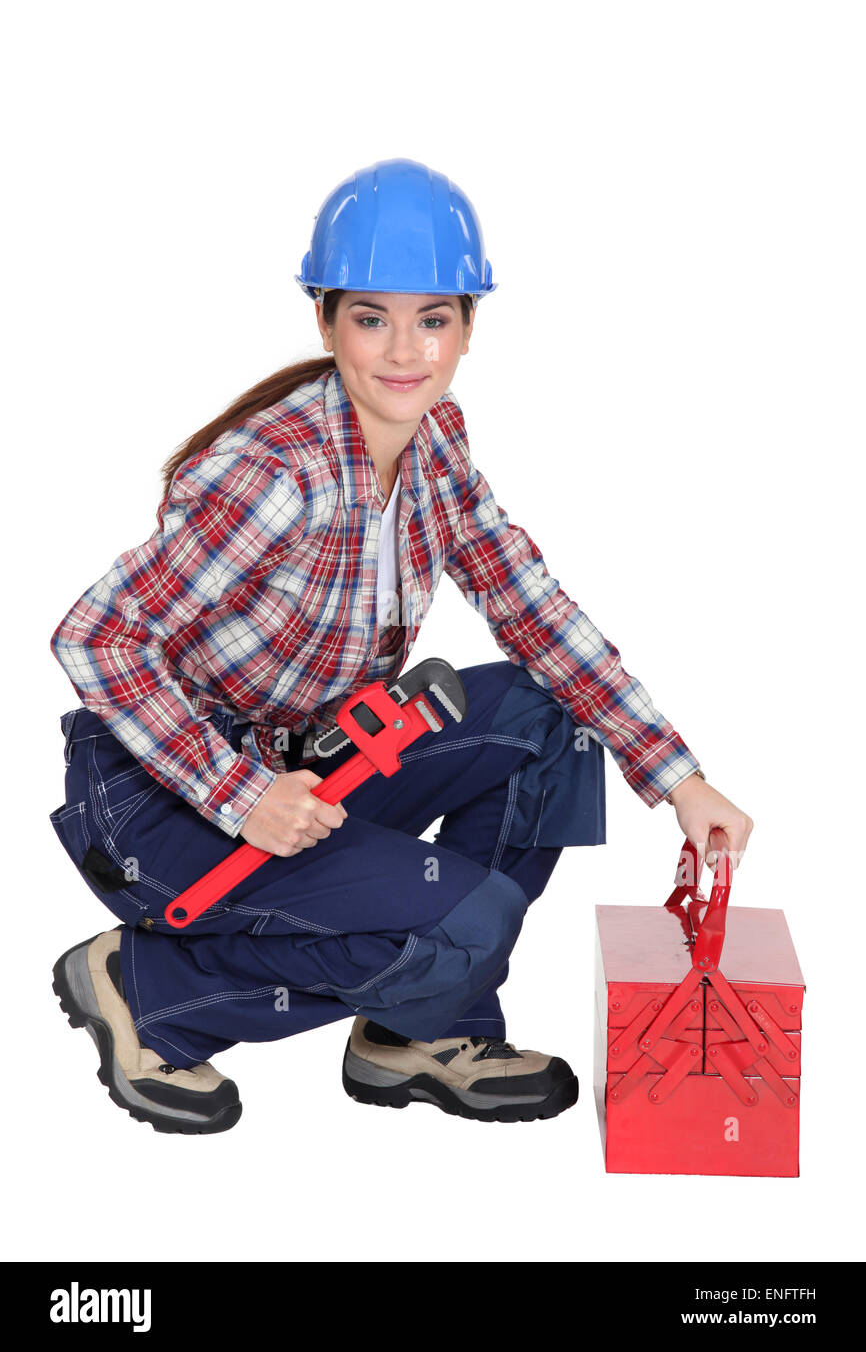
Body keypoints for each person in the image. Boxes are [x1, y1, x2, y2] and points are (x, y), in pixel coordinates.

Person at [48, 157, 753, 1135]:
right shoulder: (277, 473)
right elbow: (98, 636)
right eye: (370, 316)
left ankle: (414, 1029)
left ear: (468, 327)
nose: (403, 349)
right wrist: (239, 794)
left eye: (432, 318)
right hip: (162, 798)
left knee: (547, 723)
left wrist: (678, 777)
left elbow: (535, 614)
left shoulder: (435, 447)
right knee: (468, 916)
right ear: (325, 319)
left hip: (303, 764)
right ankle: (147, 985)